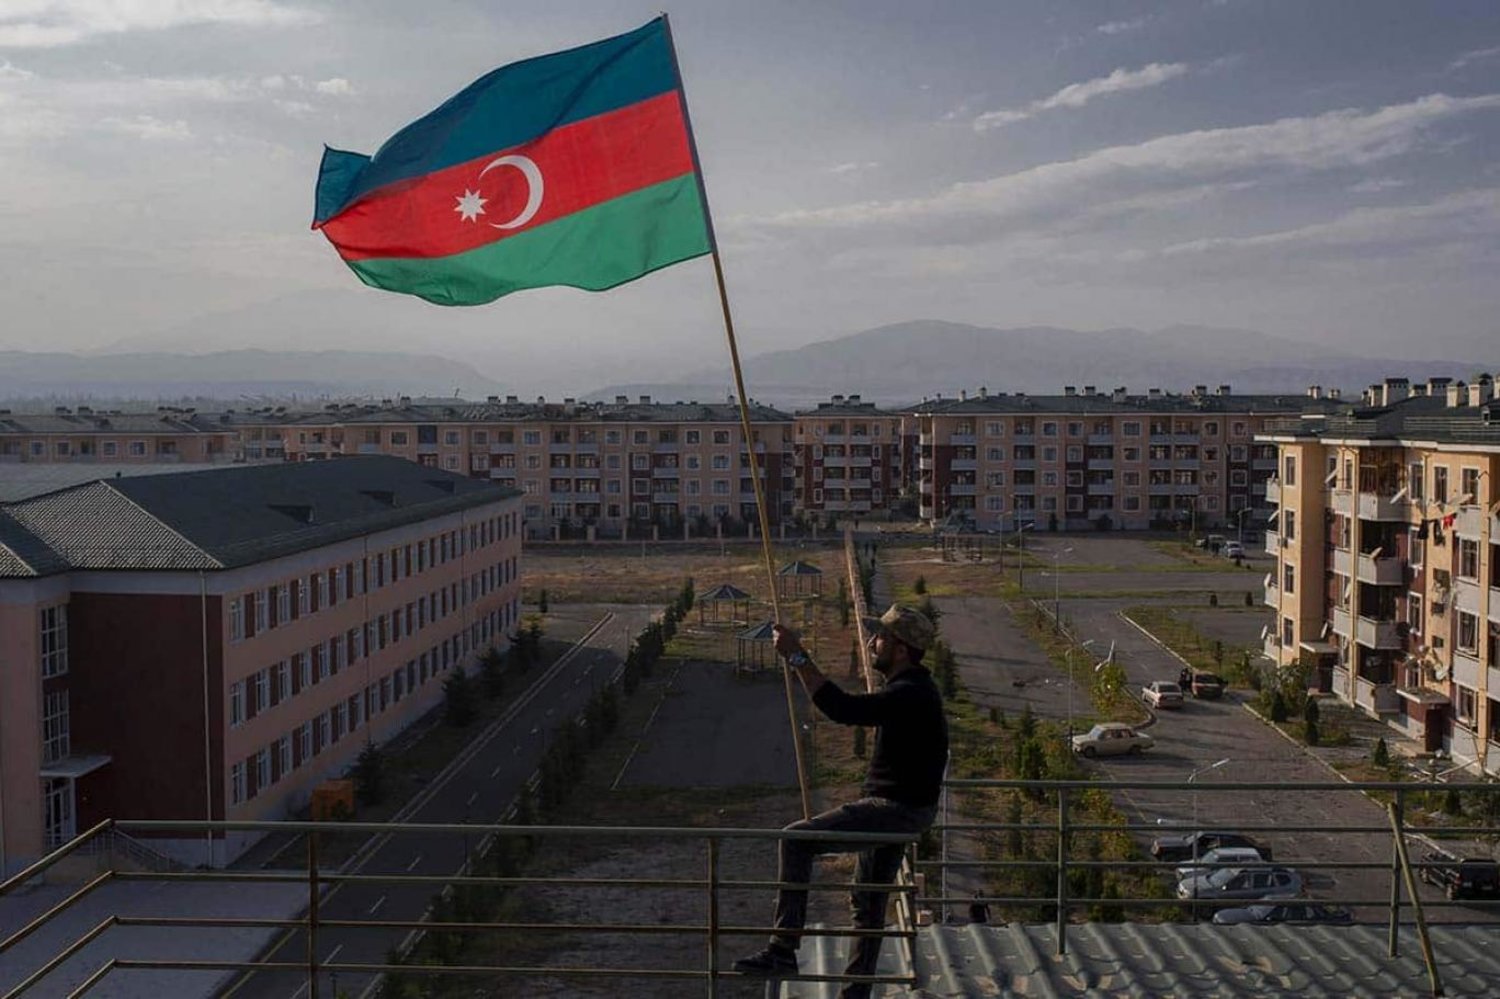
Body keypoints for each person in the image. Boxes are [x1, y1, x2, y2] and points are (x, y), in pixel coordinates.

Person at [733, 604, 948, 997]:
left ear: (900, 650)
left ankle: (783, 949)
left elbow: (842, 709)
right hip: (903, 811)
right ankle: (856, 992)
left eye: (880, 637)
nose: (871, 642)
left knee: (797, 840)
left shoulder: (910, 693)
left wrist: (797, 657)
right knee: (867, 901)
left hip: (896, 811)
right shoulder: (914, 691)